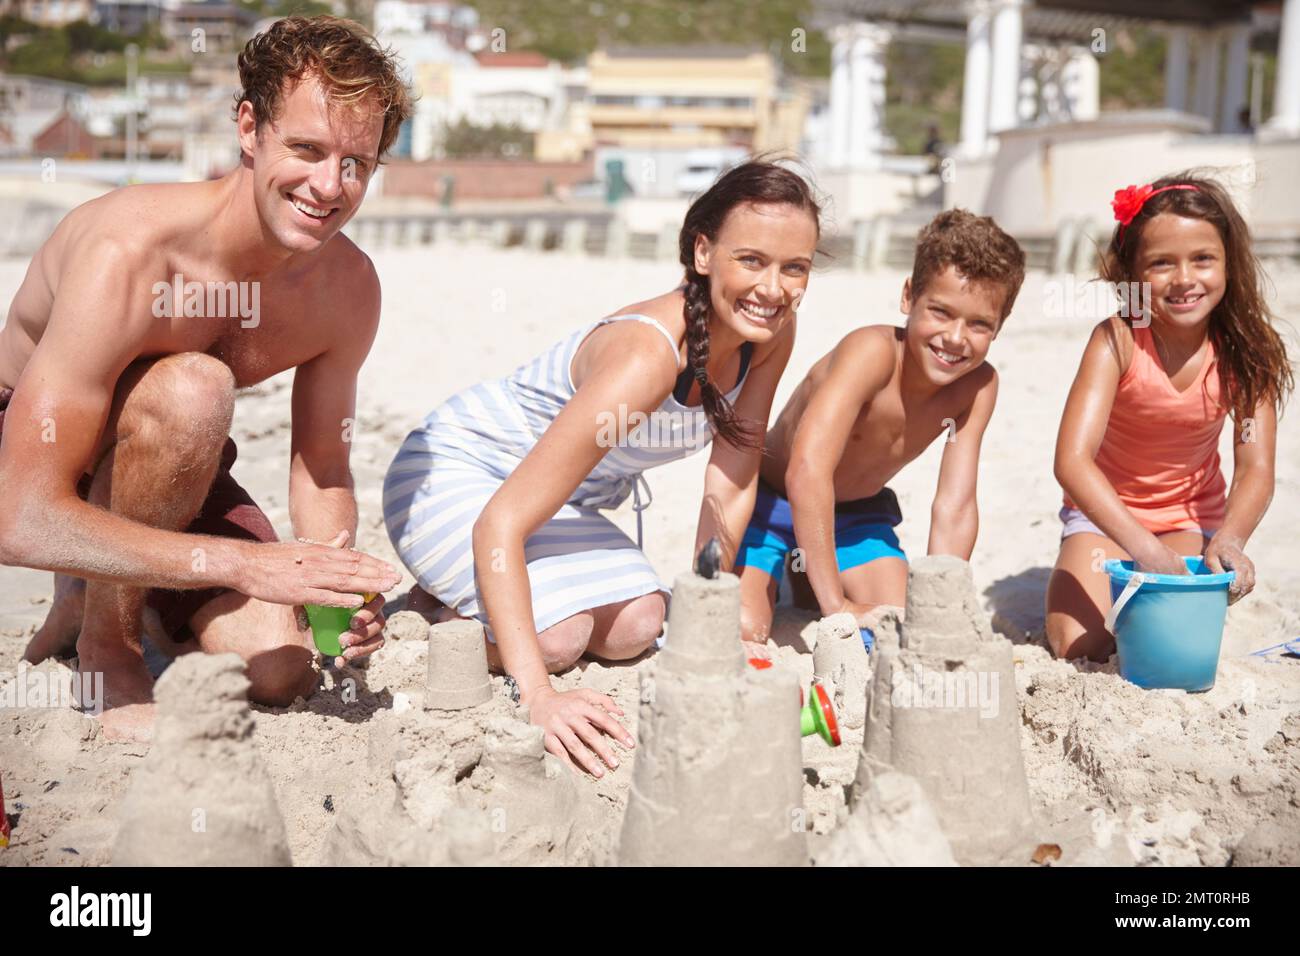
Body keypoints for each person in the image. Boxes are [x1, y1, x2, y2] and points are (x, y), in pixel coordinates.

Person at [0, 16, 410, 739]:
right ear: (250, 128)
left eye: (357, 163)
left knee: (279, 666)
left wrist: (332, 593)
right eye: (307, 150)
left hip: (165, 462)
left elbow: (321, 469)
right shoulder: (130, 253)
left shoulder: (347, 289)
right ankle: (108, 646)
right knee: (194, 390)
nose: (329, 186)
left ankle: (96, 590)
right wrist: (245, 567)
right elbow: (20, 516)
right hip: (28, 444)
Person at [383, 161, 821, 775]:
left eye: (794, 267)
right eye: (751, 260)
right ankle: (441, 622)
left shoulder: (770, 333)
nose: (773, 289)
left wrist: (707, 606)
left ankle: (456, 598)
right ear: (703, 252)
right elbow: (500, 522)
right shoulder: (646, 359)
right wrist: (538, 697)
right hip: (457, 475)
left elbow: (732, 476)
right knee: (558, 642)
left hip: (557, 502)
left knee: (640, 624)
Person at [734, 209, 1025, 646]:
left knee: (902, 622)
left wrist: (942, 602)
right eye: (941, 312)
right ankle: (810, 582)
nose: (955, 338)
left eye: (979, 324)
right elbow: (807, 470)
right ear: (909, 296)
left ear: (1000, 325)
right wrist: (838, 608)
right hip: (770, 505)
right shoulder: (871, 352)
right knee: (745, 627)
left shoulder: (978, 387)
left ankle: (813, 577)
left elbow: (955, 505)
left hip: (855, 516)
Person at [1046, 173, 1293, 660]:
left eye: (1203, 259)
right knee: (1080, 646)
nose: (1184, 279)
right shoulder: (1116, 340)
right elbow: (1073, 461)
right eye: (1161, 263)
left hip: (1186, 517)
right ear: (1132, 274)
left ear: (1230, 262)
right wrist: (1143, 549)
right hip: (1103, 520)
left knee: (1166, 642)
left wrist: (1231, 537)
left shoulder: (1247, 349)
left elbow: (1255, 466)